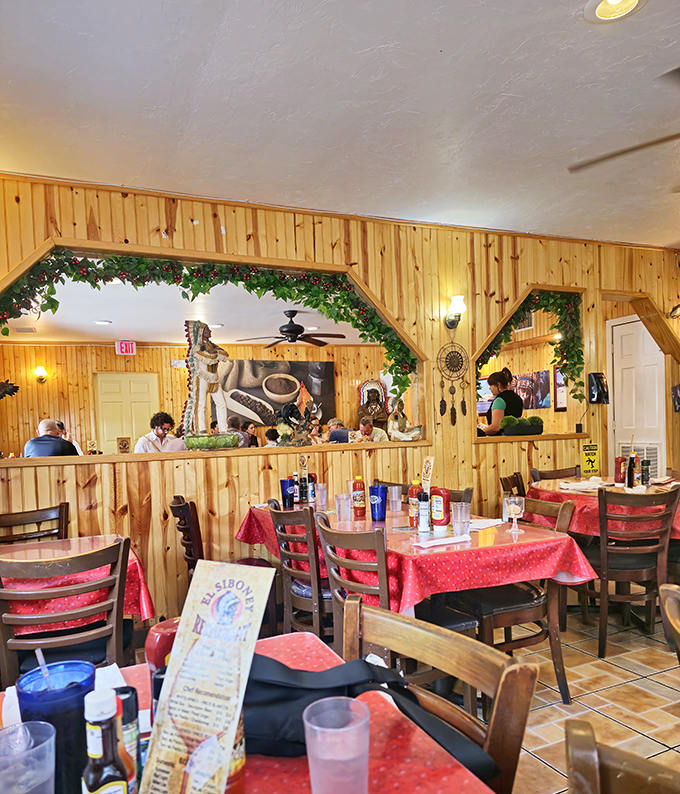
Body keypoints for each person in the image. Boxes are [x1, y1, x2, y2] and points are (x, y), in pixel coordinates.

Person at [183, 321, 230, 435]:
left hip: (214, 378)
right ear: (201, 332)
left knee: (222, 403)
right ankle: (201, 429)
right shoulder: (197, 347)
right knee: (201, 405)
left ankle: (223, 429)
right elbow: (208, 357)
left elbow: (224, 354)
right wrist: (215, 354)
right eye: (207, 329)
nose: (210, 331)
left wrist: (215, 352)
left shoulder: (212, 345)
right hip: (202, 378)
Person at [477, 367, 523, 436]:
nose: (490, 388)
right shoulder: (517, 398)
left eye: (491, 385)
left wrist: (479, 433)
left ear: (498, 384)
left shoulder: (499, 400)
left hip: (500, 439)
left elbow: (495, 427)